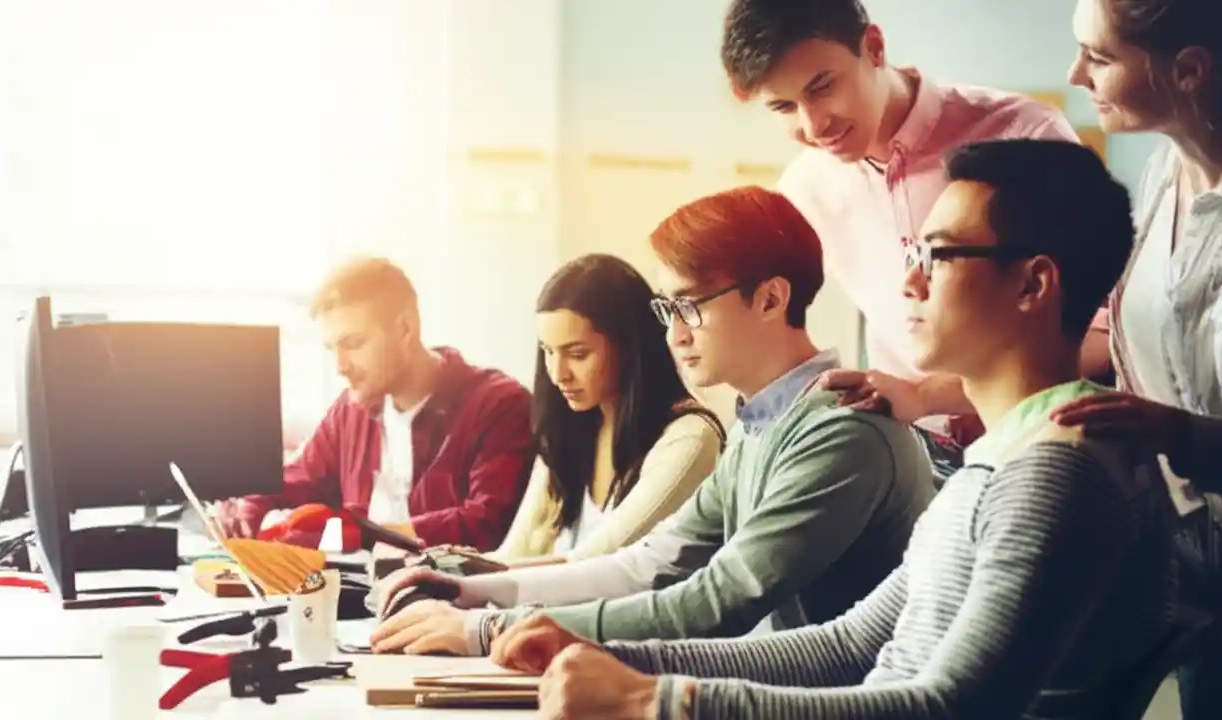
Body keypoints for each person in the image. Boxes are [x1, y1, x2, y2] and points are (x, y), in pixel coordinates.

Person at [504, 139, 1178, 720]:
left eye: (938, 256)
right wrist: (605, 654)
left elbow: (952, 708)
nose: (907, 281)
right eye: (914, 251)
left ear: (1032, 286)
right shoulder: (1005, 455)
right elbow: (848, 645)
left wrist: (655, 702)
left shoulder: (1057, 471)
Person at [367, 186, 934, 656]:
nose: (674, 333)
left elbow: (718, 602)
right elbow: (648, 565)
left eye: (690, 306)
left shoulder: (837, 430)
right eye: (667, 310)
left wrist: (488, 630)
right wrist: (471, 592)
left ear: (770, 299)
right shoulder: (761, 423)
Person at [721, 0, 1109, 475]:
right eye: (783, 107)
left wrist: (928, 395)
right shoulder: (804, 189)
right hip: (909, 458)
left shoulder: (1024, 136)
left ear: (875, 47)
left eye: (823, 87)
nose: (813, 124)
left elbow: (1104, 336)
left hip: (1043, 448)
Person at [1055, 1, 1222, 716]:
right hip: (1191, 563)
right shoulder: (1165, 170)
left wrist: (1178, 435)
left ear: (1189, 70)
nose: (1076, 75)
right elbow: (1133, 339)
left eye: (1098, 57)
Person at [212, 256, 534, 551]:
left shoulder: (499, 406)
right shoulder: (351, 409)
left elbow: (488, 524)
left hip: (450, 602)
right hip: (362, 597)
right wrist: (246, 508)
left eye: (353, 344)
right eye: (332, 348)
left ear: (405, 329)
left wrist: (364, 533)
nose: (340, 366)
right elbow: (297, 481)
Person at [494, 253, 724, 565]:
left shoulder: (690, 436)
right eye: (548, 351)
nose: (558, 373)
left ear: (629, 347)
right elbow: (513, 554)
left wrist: (472, 582)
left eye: (577, 354)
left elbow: (595, 563)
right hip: (548, 611)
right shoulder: (569, 428)